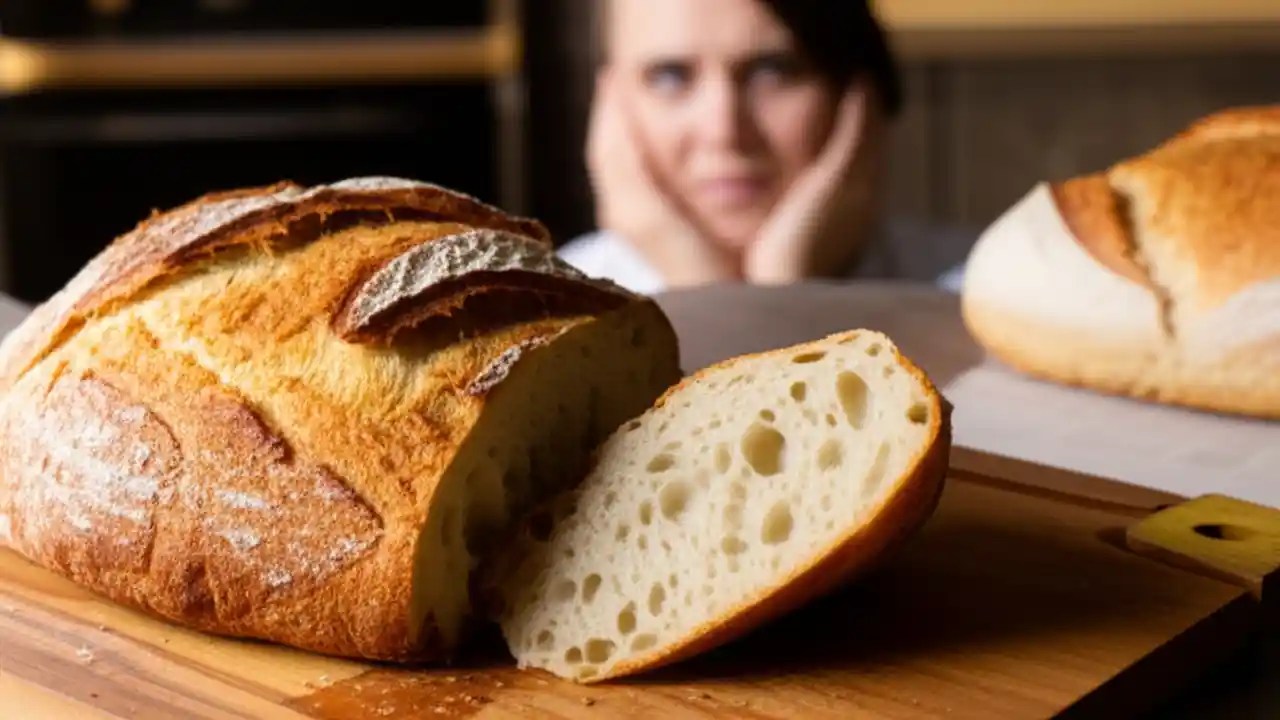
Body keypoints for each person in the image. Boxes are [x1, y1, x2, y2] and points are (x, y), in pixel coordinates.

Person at [558, 0, 969, 295]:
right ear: (609, 103)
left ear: (860, 95)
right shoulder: (546, 310)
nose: (724, 130)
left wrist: (782, 296)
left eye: (773, 71)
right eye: (670, 77)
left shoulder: (982, 304)